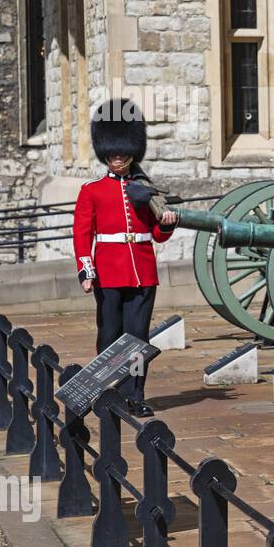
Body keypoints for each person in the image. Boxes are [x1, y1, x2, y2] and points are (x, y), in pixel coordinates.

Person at [72, 99, 178, 417]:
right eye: (113, 153)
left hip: (143, 273)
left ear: (133, 151)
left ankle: (135, 395)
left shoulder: (145, 190)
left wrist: (166, 224)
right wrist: (86, 270)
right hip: (107, 272)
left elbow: (156, 235)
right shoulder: (92, 190)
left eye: (123, 153)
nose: (118, 159)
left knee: (137, 339)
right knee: (109, 335)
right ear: (106, 153)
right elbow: (82, 235)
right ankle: (112, 390)